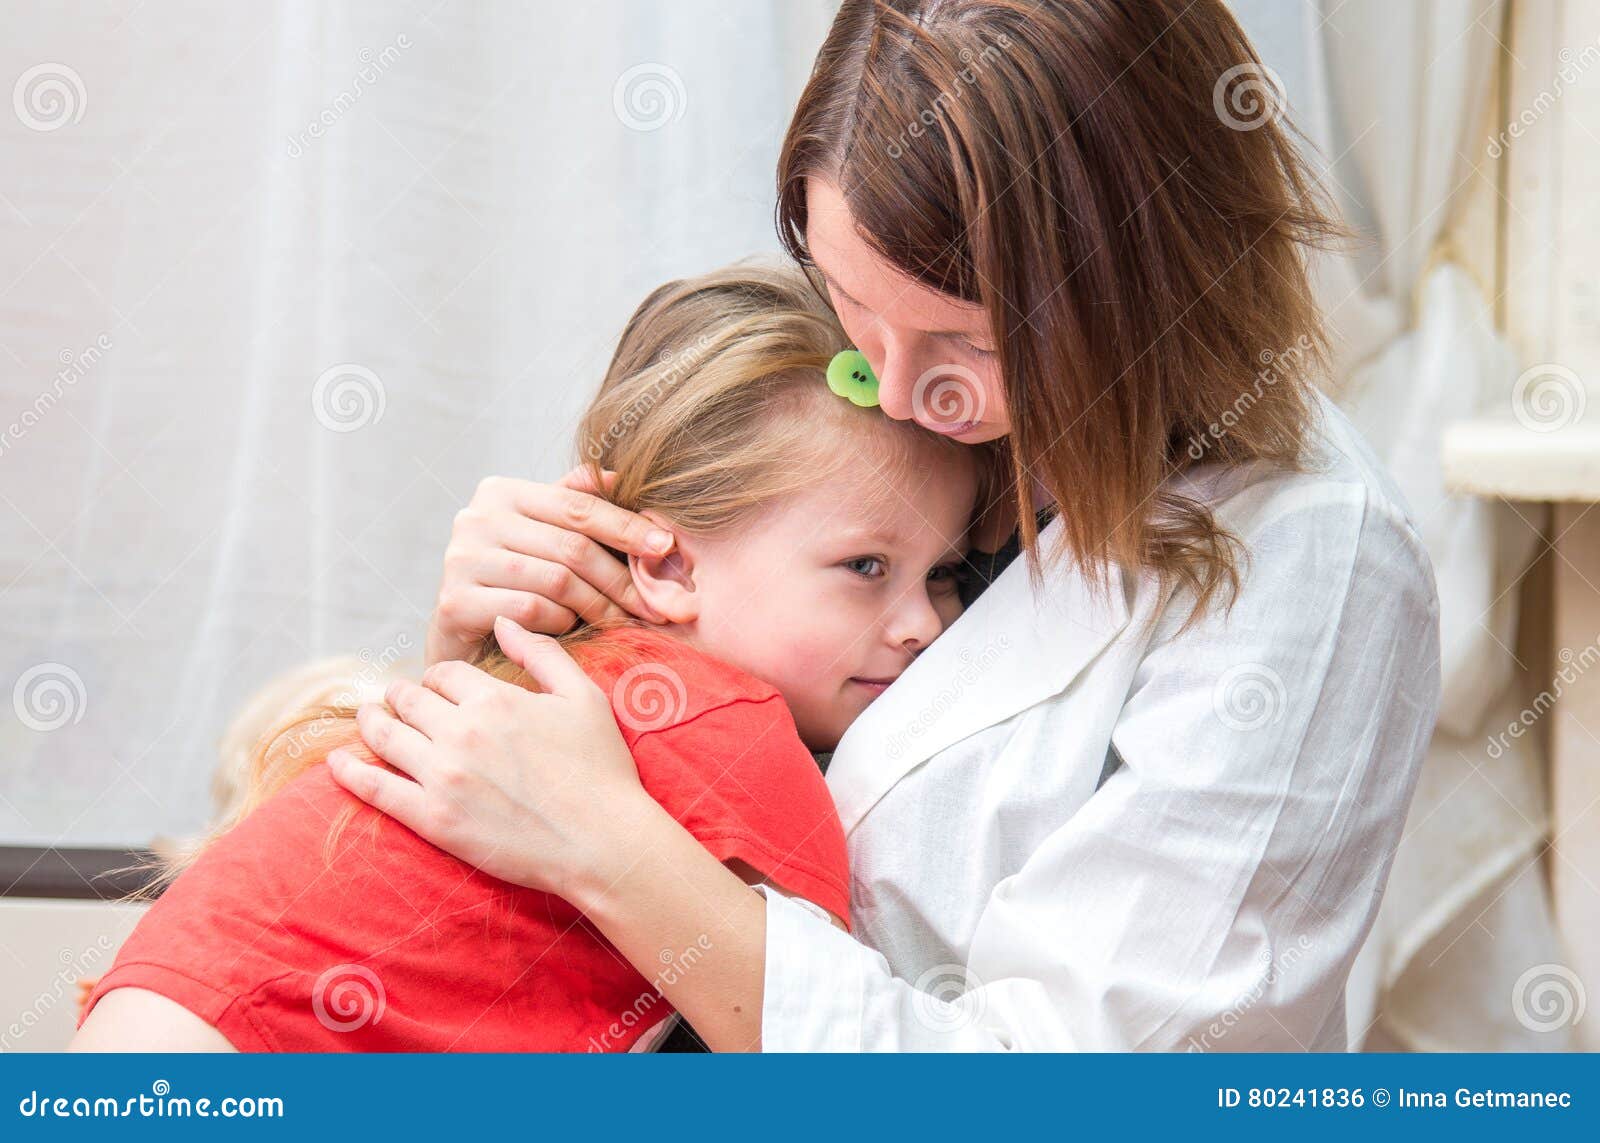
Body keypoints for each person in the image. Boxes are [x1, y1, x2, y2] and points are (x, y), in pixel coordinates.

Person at [329, 0, 1442, 1052]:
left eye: (973, 342)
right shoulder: (901, 410)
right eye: (856, 310)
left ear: (1148, 288)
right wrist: (513, 646)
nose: (902, 395)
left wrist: (605, 847)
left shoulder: (1310, 565)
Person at [71, 264, 984, 1051]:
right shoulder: (734, 733)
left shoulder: (563, 677)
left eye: (943, 574)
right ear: (667, 565)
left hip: (167, 1007)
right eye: (866, 567)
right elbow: (812, 1026)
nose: (924, 624)